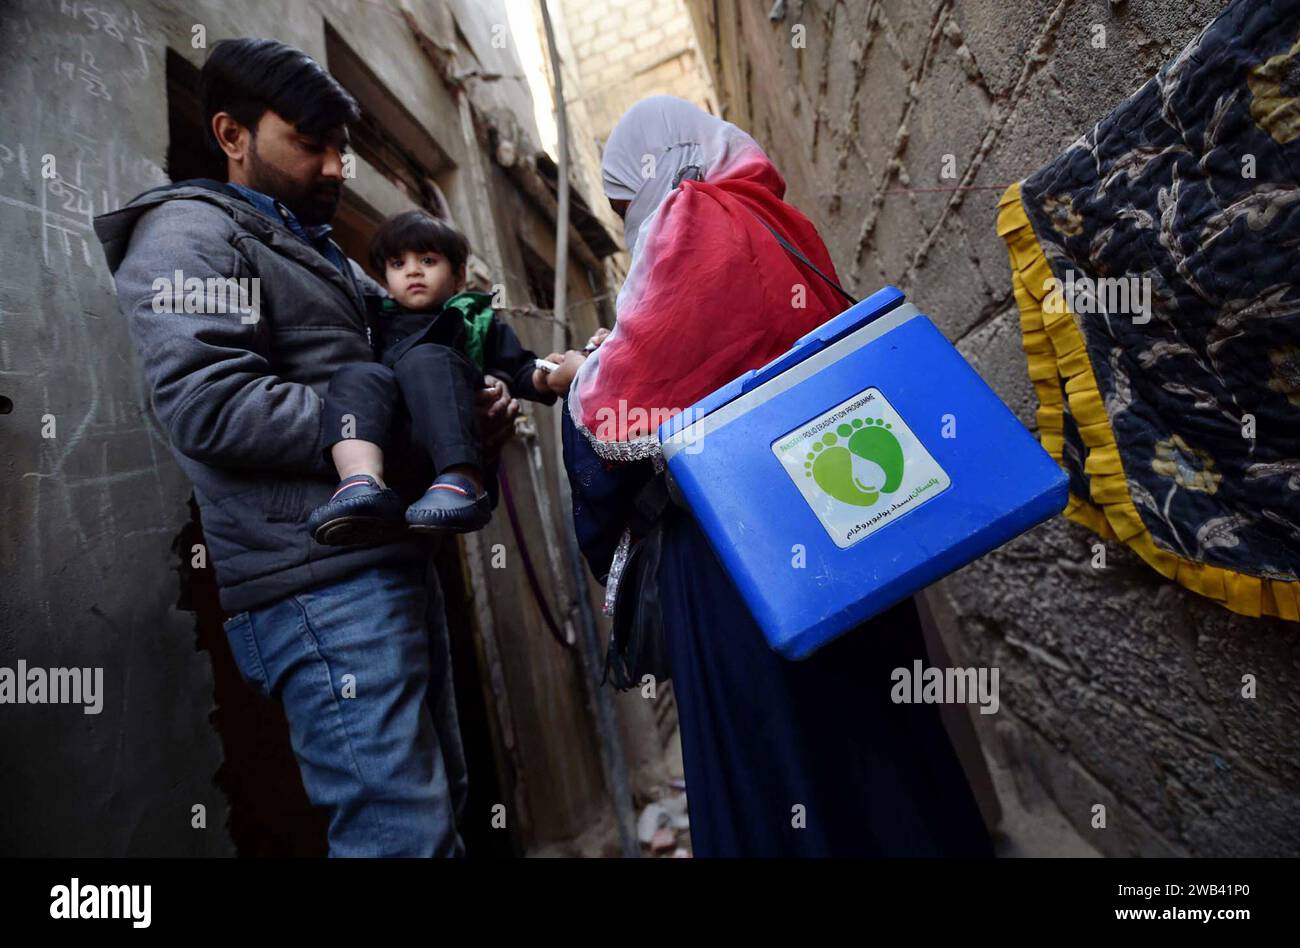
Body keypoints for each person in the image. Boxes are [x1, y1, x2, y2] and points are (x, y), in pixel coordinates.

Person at [536, 95, 993, 857]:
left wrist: (580, 374)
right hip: (838, 525)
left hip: (742, 557)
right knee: (882, 755)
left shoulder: (694, 220)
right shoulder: (776, 218)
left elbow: (619, 408)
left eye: (628, 203)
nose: (632, 223)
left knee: (785, 768)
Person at [93, 38, 515, 857]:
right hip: (318, 590)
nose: (335, 168)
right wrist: (381, 431)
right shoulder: (185, 235)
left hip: (389, 563)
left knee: (440, 818)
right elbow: (209, 405)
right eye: (310, 144)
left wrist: (466, 405)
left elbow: (403, 357)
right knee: (401, 838)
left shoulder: (316, 251)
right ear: (232, 134)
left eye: (342, 148)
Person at [306, 210, 557, 543]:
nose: (413, 271)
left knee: (425, 358)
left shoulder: (475, 321)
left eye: (427, 260)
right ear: (385, 284)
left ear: (459, 277)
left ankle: (462, 479)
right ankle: (360, 482)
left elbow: (523, 370)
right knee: (356, 374)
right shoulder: (375, 322)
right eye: (398, 264)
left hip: (455, 446)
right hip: (401, 449)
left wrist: (548, 376)